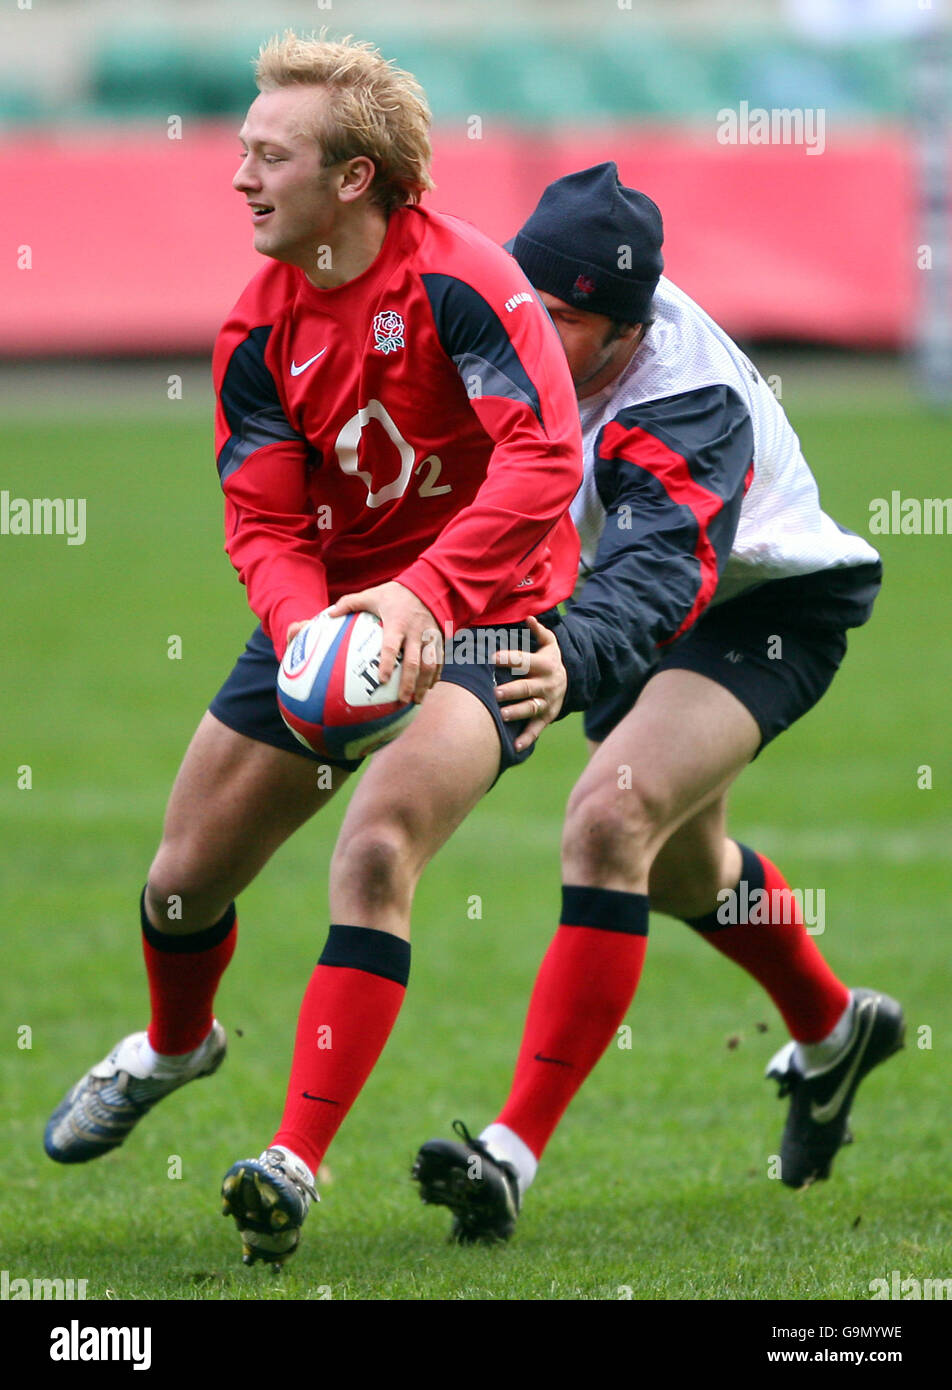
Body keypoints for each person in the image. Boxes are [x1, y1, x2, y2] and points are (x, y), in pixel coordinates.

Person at [43, 32, 585, 1268]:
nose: (238, 175)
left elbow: (545, 457)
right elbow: (268, 521)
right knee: (181, 883)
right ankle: (176, 1045)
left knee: (377, 840)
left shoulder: (466, 283)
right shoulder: (254, 330)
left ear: (352, 180)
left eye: (267, 154)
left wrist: (426, 597)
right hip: (333, 613)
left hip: (486, 613)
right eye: (239, 148)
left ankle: (291, 1159)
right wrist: (311, 637)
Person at [412, 163, 904, 1243]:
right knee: (682, 867)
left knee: (608, 818)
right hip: (633, 595)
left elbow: (658, 578)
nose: (534, 337)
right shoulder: (503, 311)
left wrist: (567, 656)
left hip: (762, 604)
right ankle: (834, 1031)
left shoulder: (686, 400)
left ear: (630, 330)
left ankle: (507, 1155)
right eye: (526, 308)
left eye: (566, 322)